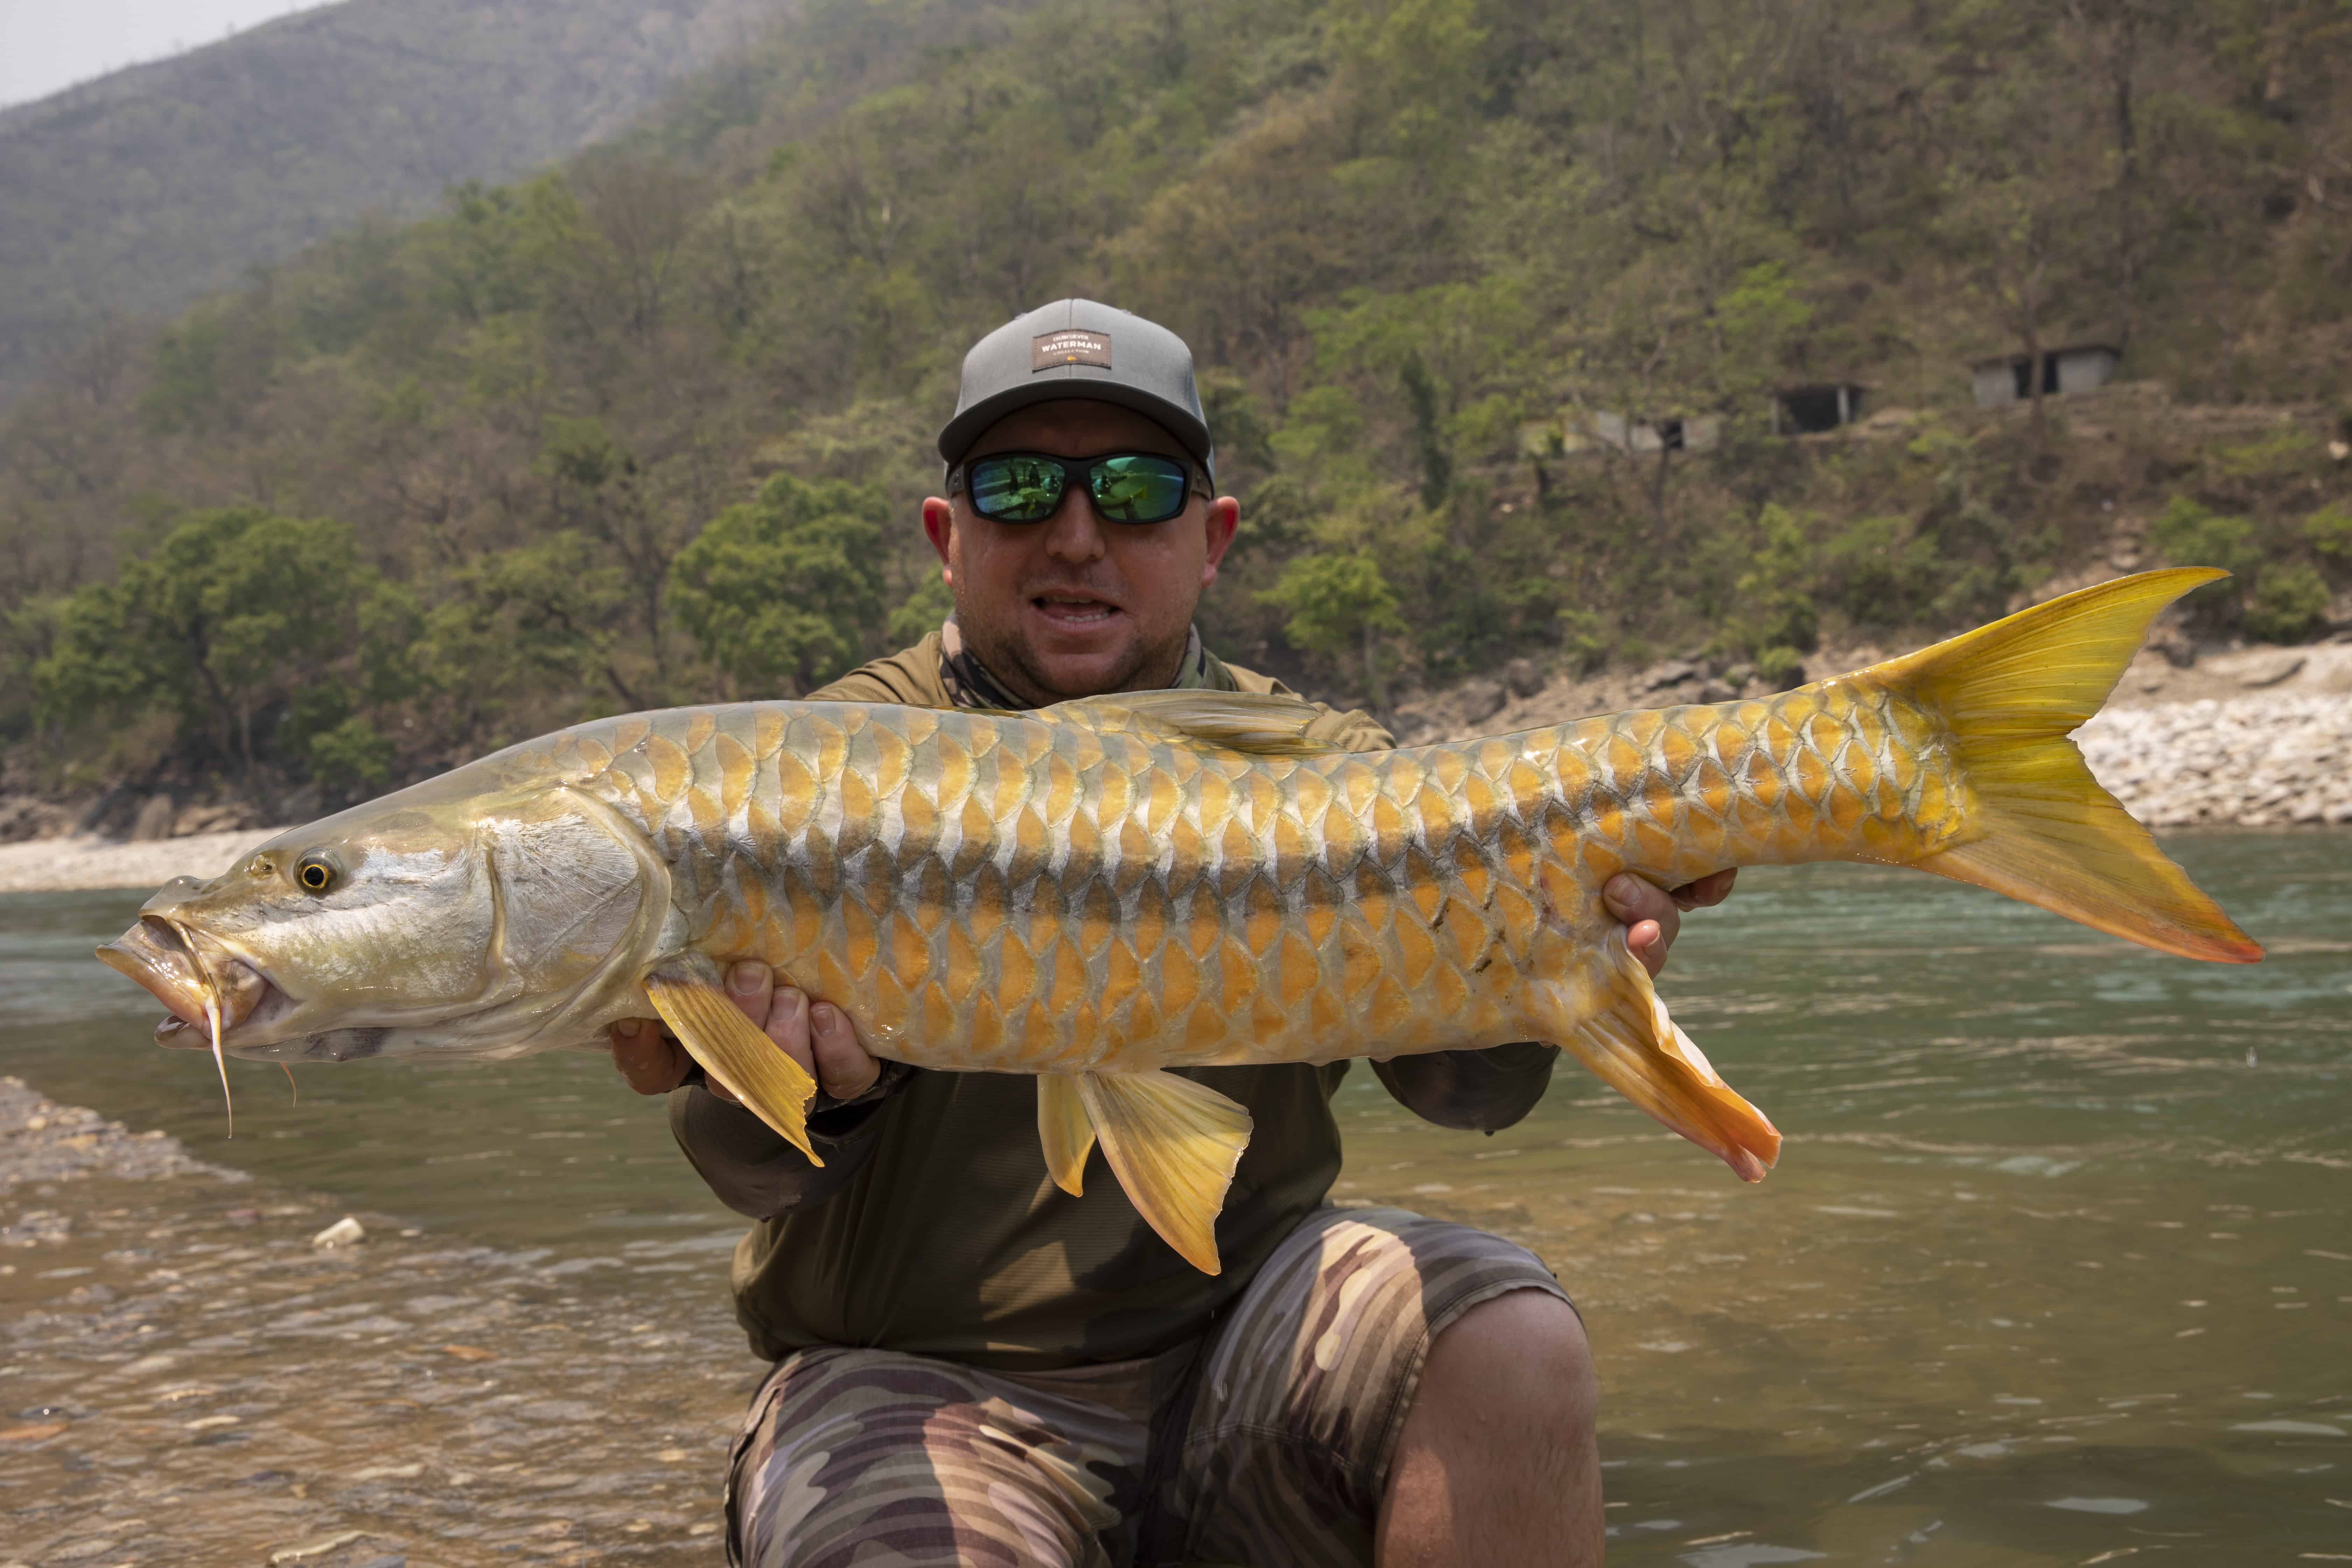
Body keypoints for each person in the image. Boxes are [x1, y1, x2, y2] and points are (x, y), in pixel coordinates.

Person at [608, 300, 1735, 1567]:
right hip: (920, 1385)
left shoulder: (1328, 770)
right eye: (1018, 487)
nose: (1078, 535)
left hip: (1246, 1356)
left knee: (1510, 1340)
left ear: (1213, 538)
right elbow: (744, 1172)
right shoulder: (807, 779)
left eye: (1137, 491)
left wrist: (1550, 953)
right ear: (948, 534)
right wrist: (824, 1094)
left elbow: (1464, 1096)